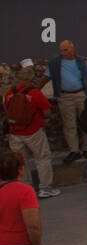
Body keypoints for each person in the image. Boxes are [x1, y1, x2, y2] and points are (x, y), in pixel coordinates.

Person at [4, 67, 59, 198]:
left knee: (20, 162)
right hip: (33, 131)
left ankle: (25, 189)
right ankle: (45, 188)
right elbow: (47, 112)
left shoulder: (8, 93)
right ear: (31, 79)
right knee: (42, 158)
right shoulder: (34, 93)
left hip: (14, 132)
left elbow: (7, 112)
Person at [49, 39, 87, 162]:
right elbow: (47, 77)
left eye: (65, 50)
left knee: (85, 121)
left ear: (72, 47)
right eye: (61, 50)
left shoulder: (82, 61)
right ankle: (74, 150)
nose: (63, 53)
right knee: (69, 125)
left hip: (81, 94)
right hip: (64, 96)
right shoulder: (55, 63)